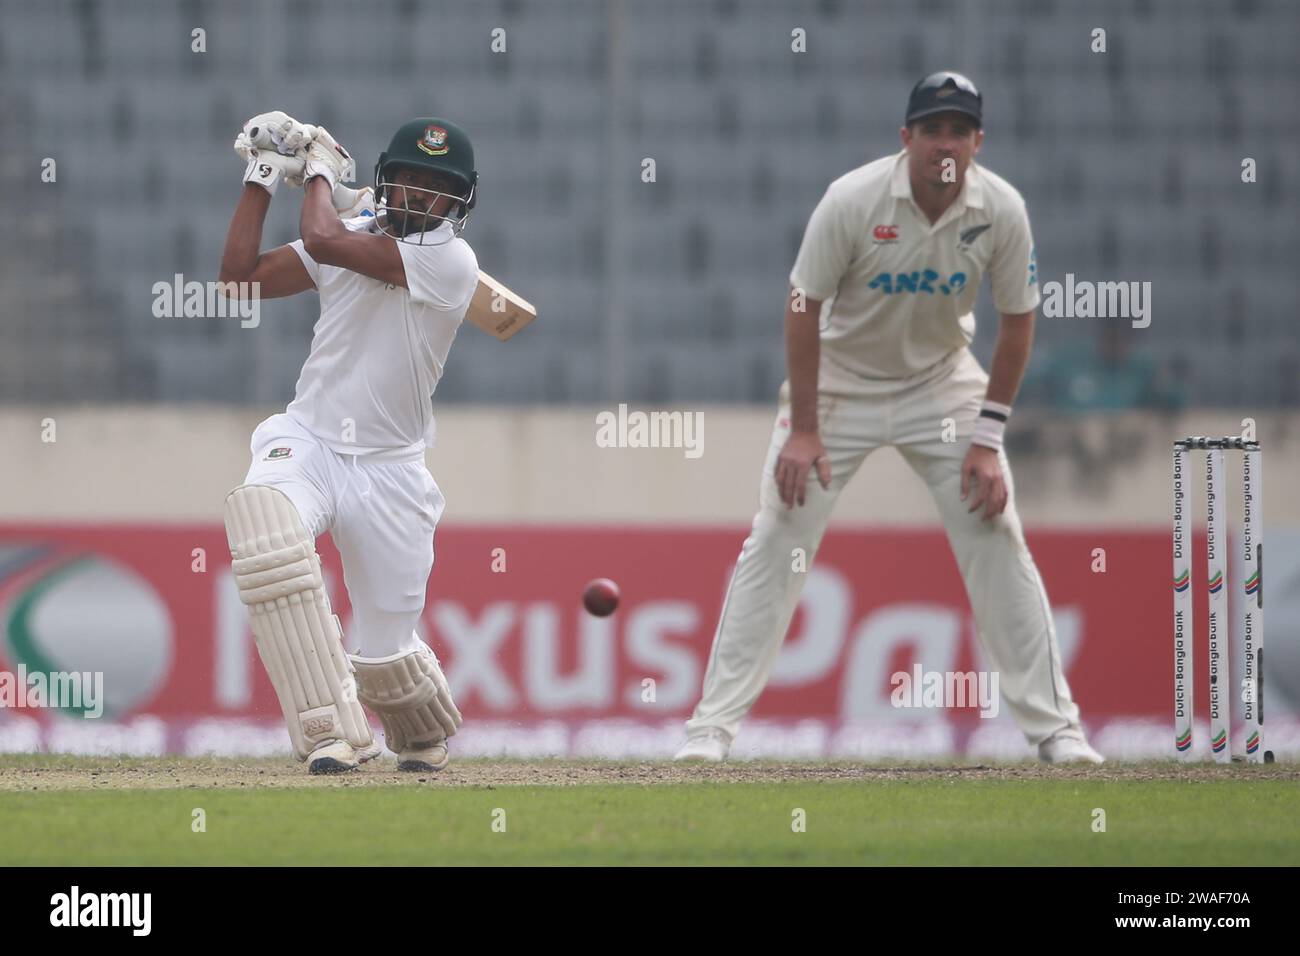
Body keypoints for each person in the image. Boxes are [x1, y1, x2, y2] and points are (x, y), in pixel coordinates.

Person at [675, 73, 1103, 765]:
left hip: (940, 385)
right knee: (778, 537)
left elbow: (1019, 322)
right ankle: (710, 732)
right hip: (839, 387)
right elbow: (801, 306)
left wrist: (987, 439)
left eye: (959, 131)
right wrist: (806, 428)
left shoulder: (1002, 209)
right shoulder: (853, 200)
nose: (945, 143)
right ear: (906, 138)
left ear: (977, 143)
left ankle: (1057, 731)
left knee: (996, 531)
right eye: (932, 129)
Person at [218, 114, 478, 774]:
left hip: (391, 470)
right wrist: (265, 174)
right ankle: (332, 730)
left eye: (437, 187)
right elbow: (239, 277)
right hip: (309, 439)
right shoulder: (353, 231)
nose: (422, 197)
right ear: (387, 181)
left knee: (388, 659)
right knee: (266, 530)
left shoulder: (449, 261)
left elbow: (323, 238)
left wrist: (321, 171)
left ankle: (417, 726)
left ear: (458, 201)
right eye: (411, 181)